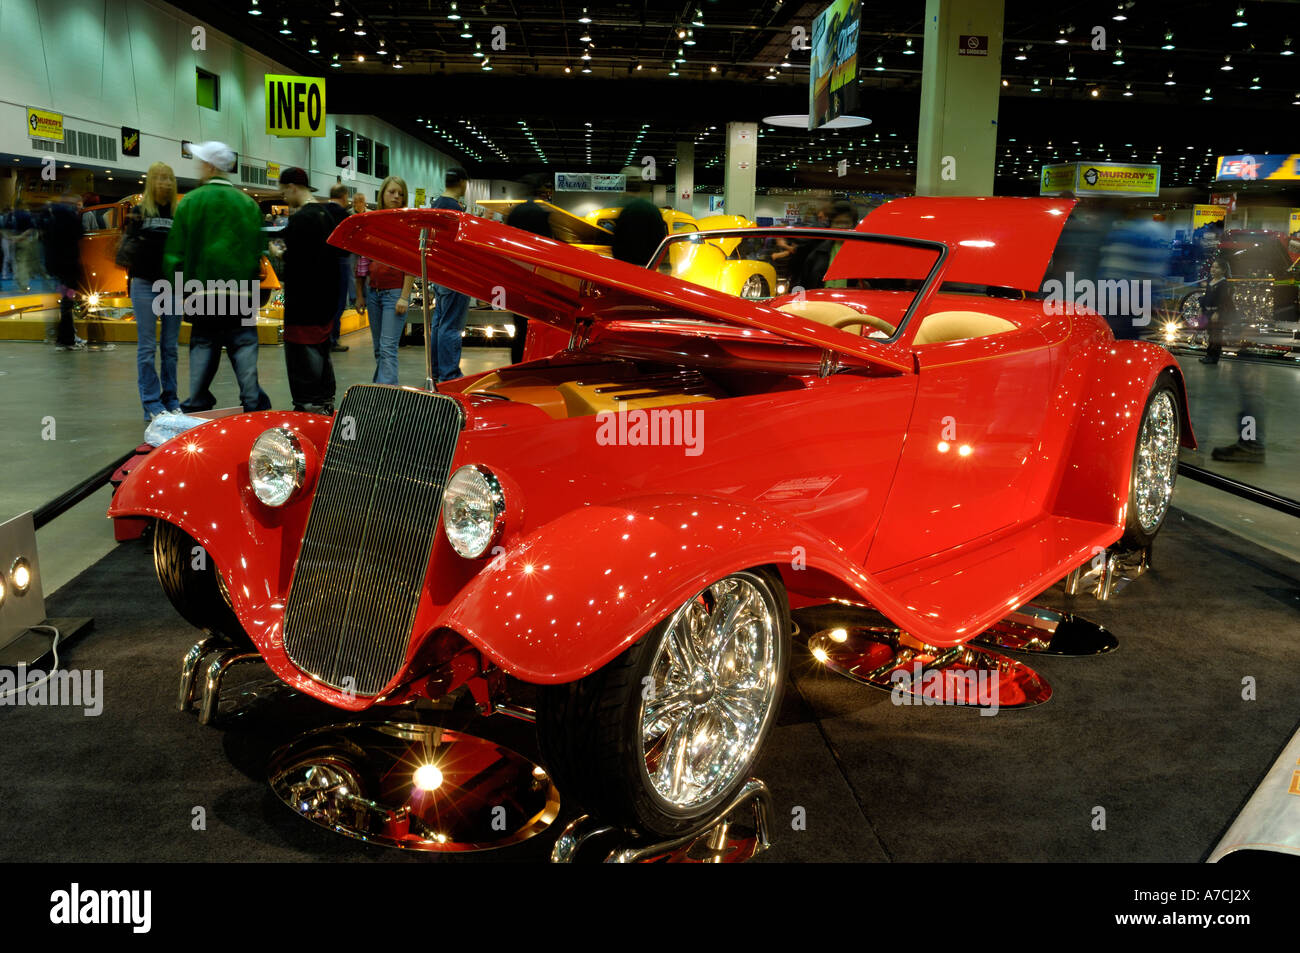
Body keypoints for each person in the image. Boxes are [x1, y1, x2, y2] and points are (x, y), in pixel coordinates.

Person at [164, 140, 271, 413]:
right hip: (241, 295)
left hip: (203, 295)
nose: (199, 167)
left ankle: (198, 406)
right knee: (244, 348)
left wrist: (178, 293)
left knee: (203, 346)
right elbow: (259, 254)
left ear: (211, 166)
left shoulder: (190, 203)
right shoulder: (248, 205)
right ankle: (252, 407)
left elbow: (175, 255)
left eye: (201, 162)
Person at [121, 162, 180, 420]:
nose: (165, 183)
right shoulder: (139, 212)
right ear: (151, 182)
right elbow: (128, 248)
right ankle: (151, 404)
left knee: (170, 348)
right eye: (159, 178)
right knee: (147, 348)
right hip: (144, 284)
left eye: (168, 178)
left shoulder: (179, 214)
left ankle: (171, 399)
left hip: (173, 286)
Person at [278, 168, 337, 413]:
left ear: (292, 186)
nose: (283, 196)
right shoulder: (326, 216)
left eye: (283, 190)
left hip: (302, 305)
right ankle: (325, 405)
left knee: (303, 361)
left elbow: (295, 265)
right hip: (324, 304)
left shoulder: (301, 219)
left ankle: (309, 408)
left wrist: (280, 255)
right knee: (321, 355)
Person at [358, 175, 415, 385]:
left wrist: (404, 296)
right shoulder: (373, 221)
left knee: (388, 349)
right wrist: (360, 294)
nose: (396, 196)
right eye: (392, 192)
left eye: (400, 194)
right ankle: (382, 392)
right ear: (383, 193)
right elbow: (363, 258)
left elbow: (412, 262)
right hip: (373, 292)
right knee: (379, 349)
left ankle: (386, 398)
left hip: (394, 294)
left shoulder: (407, 224)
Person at [503, 174, 553, 364]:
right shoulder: (542, 213)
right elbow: (547, 248)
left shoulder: (515, 212)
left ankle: (516, 364)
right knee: (536, 327)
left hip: (516, 277)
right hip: (535, 279)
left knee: (519, 327)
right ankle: (532, 363)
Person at [430, 167, 472, 381]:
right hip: (454, 274)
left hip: (439, 274)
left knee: (439, 324)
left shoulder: (436, 204)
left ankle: (437, 371)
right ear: (463, 182)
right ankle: (449, 375)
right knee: (451, 326)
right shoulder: (453, 209)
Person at [39, 191, 86, 350]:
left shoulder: (50, 217)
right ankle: (67, 338)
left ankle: (65, 336)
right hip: (69, 267)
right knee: (68, 302)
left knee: (65, 301)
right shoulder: (71, 217)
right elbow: (80, 234)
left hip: (55, 267)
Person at [323, 183, 351, 352]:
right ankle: (333, 339)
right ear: (344, 196)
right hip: (340, 261)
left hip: (324, 262)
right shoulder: (343, 215)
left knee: (327, 300)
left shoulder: (322, 211)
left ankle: (325, 337)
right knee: (339, 302)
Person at [610, 198, 667, 266]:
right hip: (648, 261)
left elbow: (617, 237)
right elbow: (660, 237)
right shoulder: (653, 210)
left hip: (625, 261)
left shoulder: (627, 210)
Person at [1200, 258, 1234, 365]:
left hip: (1217, 313)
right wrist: (1201, 308)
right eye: (1212, 267)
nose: (1213, 269)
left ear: (1223, 270)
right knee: (1211, 334)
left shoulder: (1223, 284)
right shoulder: (1211, 281)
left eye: (1217, 267)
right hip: (1209, 312)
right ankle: (1208, 355)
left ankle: (1214, 357)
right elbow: (1206, 297)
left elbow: (1224, 300)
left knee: (1216, 335)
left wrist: (1218, 312)